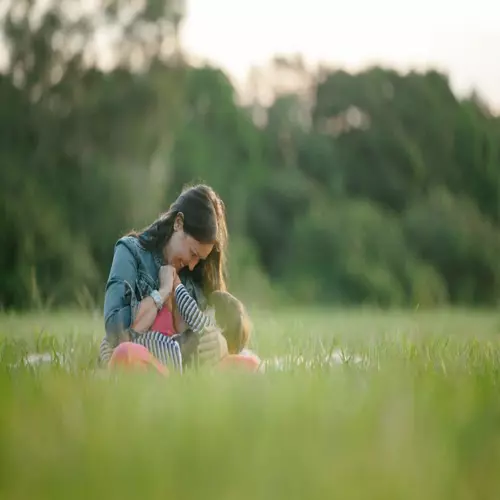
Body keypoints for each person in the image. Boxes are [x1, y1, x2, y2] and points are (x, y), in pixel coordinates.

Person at [99, 184, 230, 373]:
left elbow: (218, 323)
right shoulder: (131, 252)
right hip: (140, 364)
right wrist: (162, 293)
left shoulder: (193, 274)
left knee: (246, 364)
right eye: (193, 253)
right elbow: (115, 329)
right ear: (178, 223)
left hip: (182, 372)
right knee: (126, 356)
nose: (193, 265)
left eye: (199, 259)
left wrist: (221, 342)